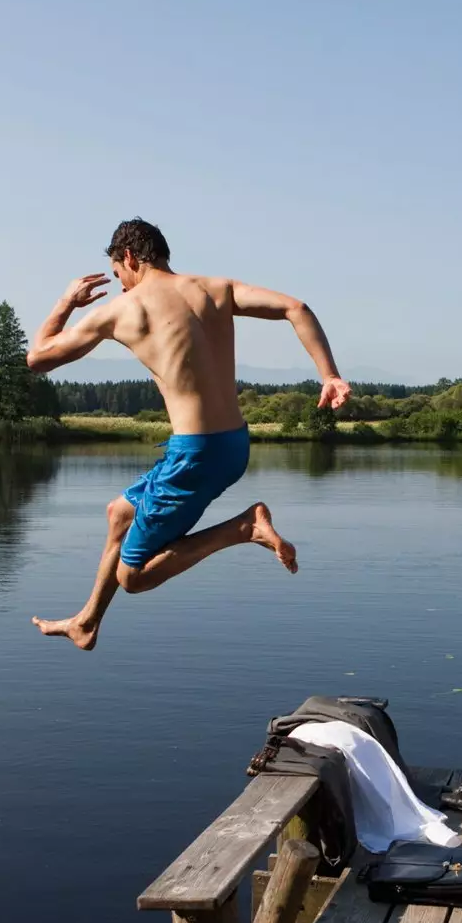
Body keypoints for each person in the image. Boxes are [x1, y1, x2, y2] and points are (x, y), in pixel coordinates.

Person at [26, 218, 349, 650]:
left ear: (127, 257)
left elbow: (38, 358)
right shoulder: (215, 289)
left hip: (195, 455)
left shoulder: (124, 310)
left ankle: (242, 528)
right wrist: (328, 374)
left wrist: (66, 302)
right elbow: (297, 308)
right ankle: (86, 622)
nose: (121, 285)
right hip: (233, 443)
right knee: (119, 514)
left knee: (133, 577)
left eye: (118, 274)